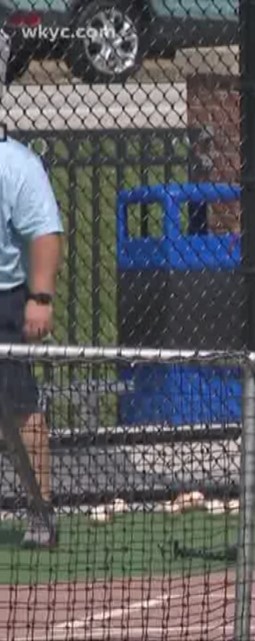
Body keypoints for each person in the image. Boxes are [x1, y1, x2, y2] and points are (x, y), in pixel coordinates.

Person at [0, 30, 63, 548]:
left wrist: (39, 298)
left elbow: (43, 233)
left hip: (5, 300)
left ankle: (41, 512)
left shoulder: (17, 165)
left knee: (18, 414)